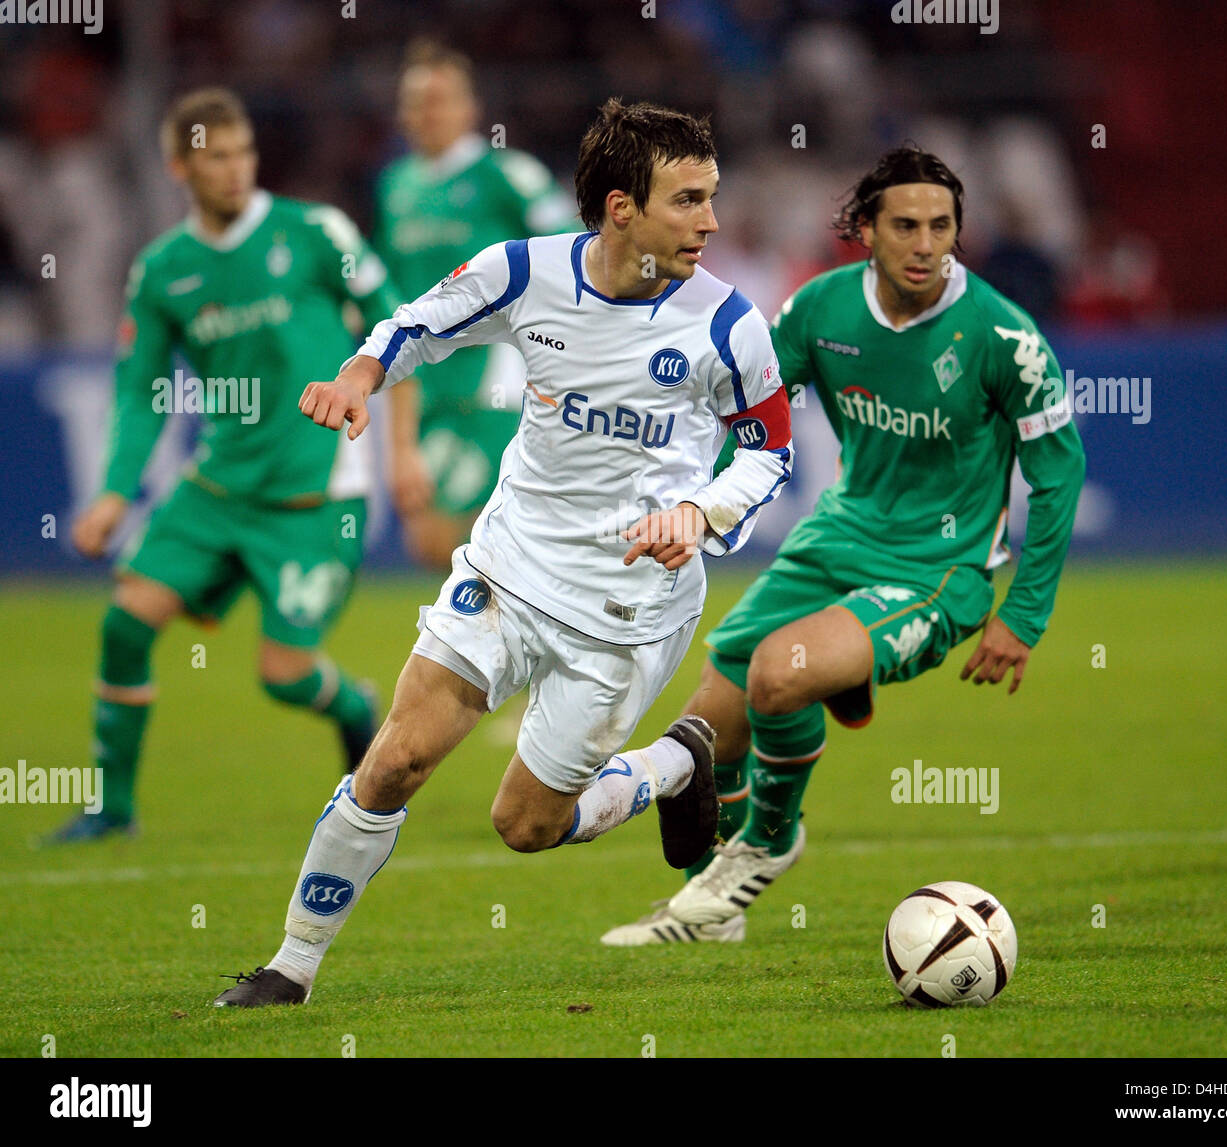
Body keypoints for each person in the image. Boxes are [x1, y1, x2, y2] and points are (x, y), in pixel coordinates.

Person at [213, 99, 794, 1007]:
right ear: (618, 208)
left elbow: (770, 448)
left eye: (711, 198)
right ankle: (291, 966)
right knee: (396, 758)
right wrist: (358, 377)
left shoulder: (729, 326)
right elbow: (415, 325)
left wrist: (699, 508)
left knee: (525, 825)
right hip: (509, 569)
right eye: (687, 201)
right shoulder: (522, 273)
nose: (710, 223)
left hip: (627, 611)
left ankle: (679, 760)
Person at [600, 144, 1086, 945]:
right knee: (709, 728)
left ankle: (770, 836)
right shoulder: (819, 310)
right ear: (865, 228)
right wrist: (700, 511)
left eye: (942, 226)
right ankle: (708, 914)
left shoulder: (1003, 335)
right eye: (905, 225)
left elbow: (1060, 474)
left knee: (778, 675)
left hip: (939, 569)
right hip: (834, 541)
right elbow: (755, 414)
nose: (925, 243)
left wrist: (1024, 615)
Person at [47, 89, 401, 843]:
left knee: (284, 675)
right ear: (180, 166)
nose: (235, 170)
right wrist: (114, 493)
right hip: (218, 484)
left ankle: (356, 706)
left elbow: (397, 319)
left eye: (243, 153)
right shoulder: (163, 271)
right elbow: (141, 394)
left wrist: (385, 416)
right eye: (216, 157)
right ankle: (114, 811)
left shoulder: (313, 231)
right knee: (125, 622)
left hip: (315, 489)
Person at [374, 40, 576, 568]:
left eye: (440, 99)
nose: (427, 112)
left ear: (470, 109)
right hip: (428, 385)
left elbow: (572, 254)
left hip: (496, 382)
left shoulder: (506, 176)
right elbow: (392, 296)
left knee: (453, 536)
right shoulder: (396, 187)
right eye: (416, 100)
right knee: (433, 545)